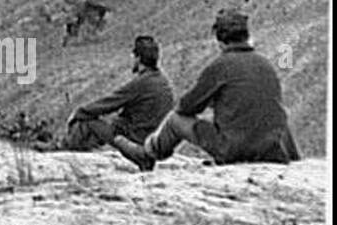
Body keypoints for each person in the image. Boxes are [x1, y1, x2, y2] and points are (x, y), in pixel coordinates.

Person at [119, 10, 300, 171]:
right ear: (247, 36)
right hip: (271, 150)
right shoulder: (266, 64)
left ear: (220, 41)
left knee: (176, 120)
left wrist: (212, 100)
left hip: (233, 151)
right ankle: (294, 158)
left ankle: (148, 153)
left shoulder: (220, 66)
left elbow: (186, 107)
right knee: (276, 111)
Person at [64, 35, 174, 156]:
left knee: (89, 123)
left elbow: (109, 103)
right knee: (111, 123)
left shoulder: (141, 83)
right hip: (154, 138)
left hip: (137, 140)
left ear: (138, 58)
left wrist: (79, 112)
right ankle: (74, 147)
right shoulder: (163, 81)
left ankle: (63, 148)